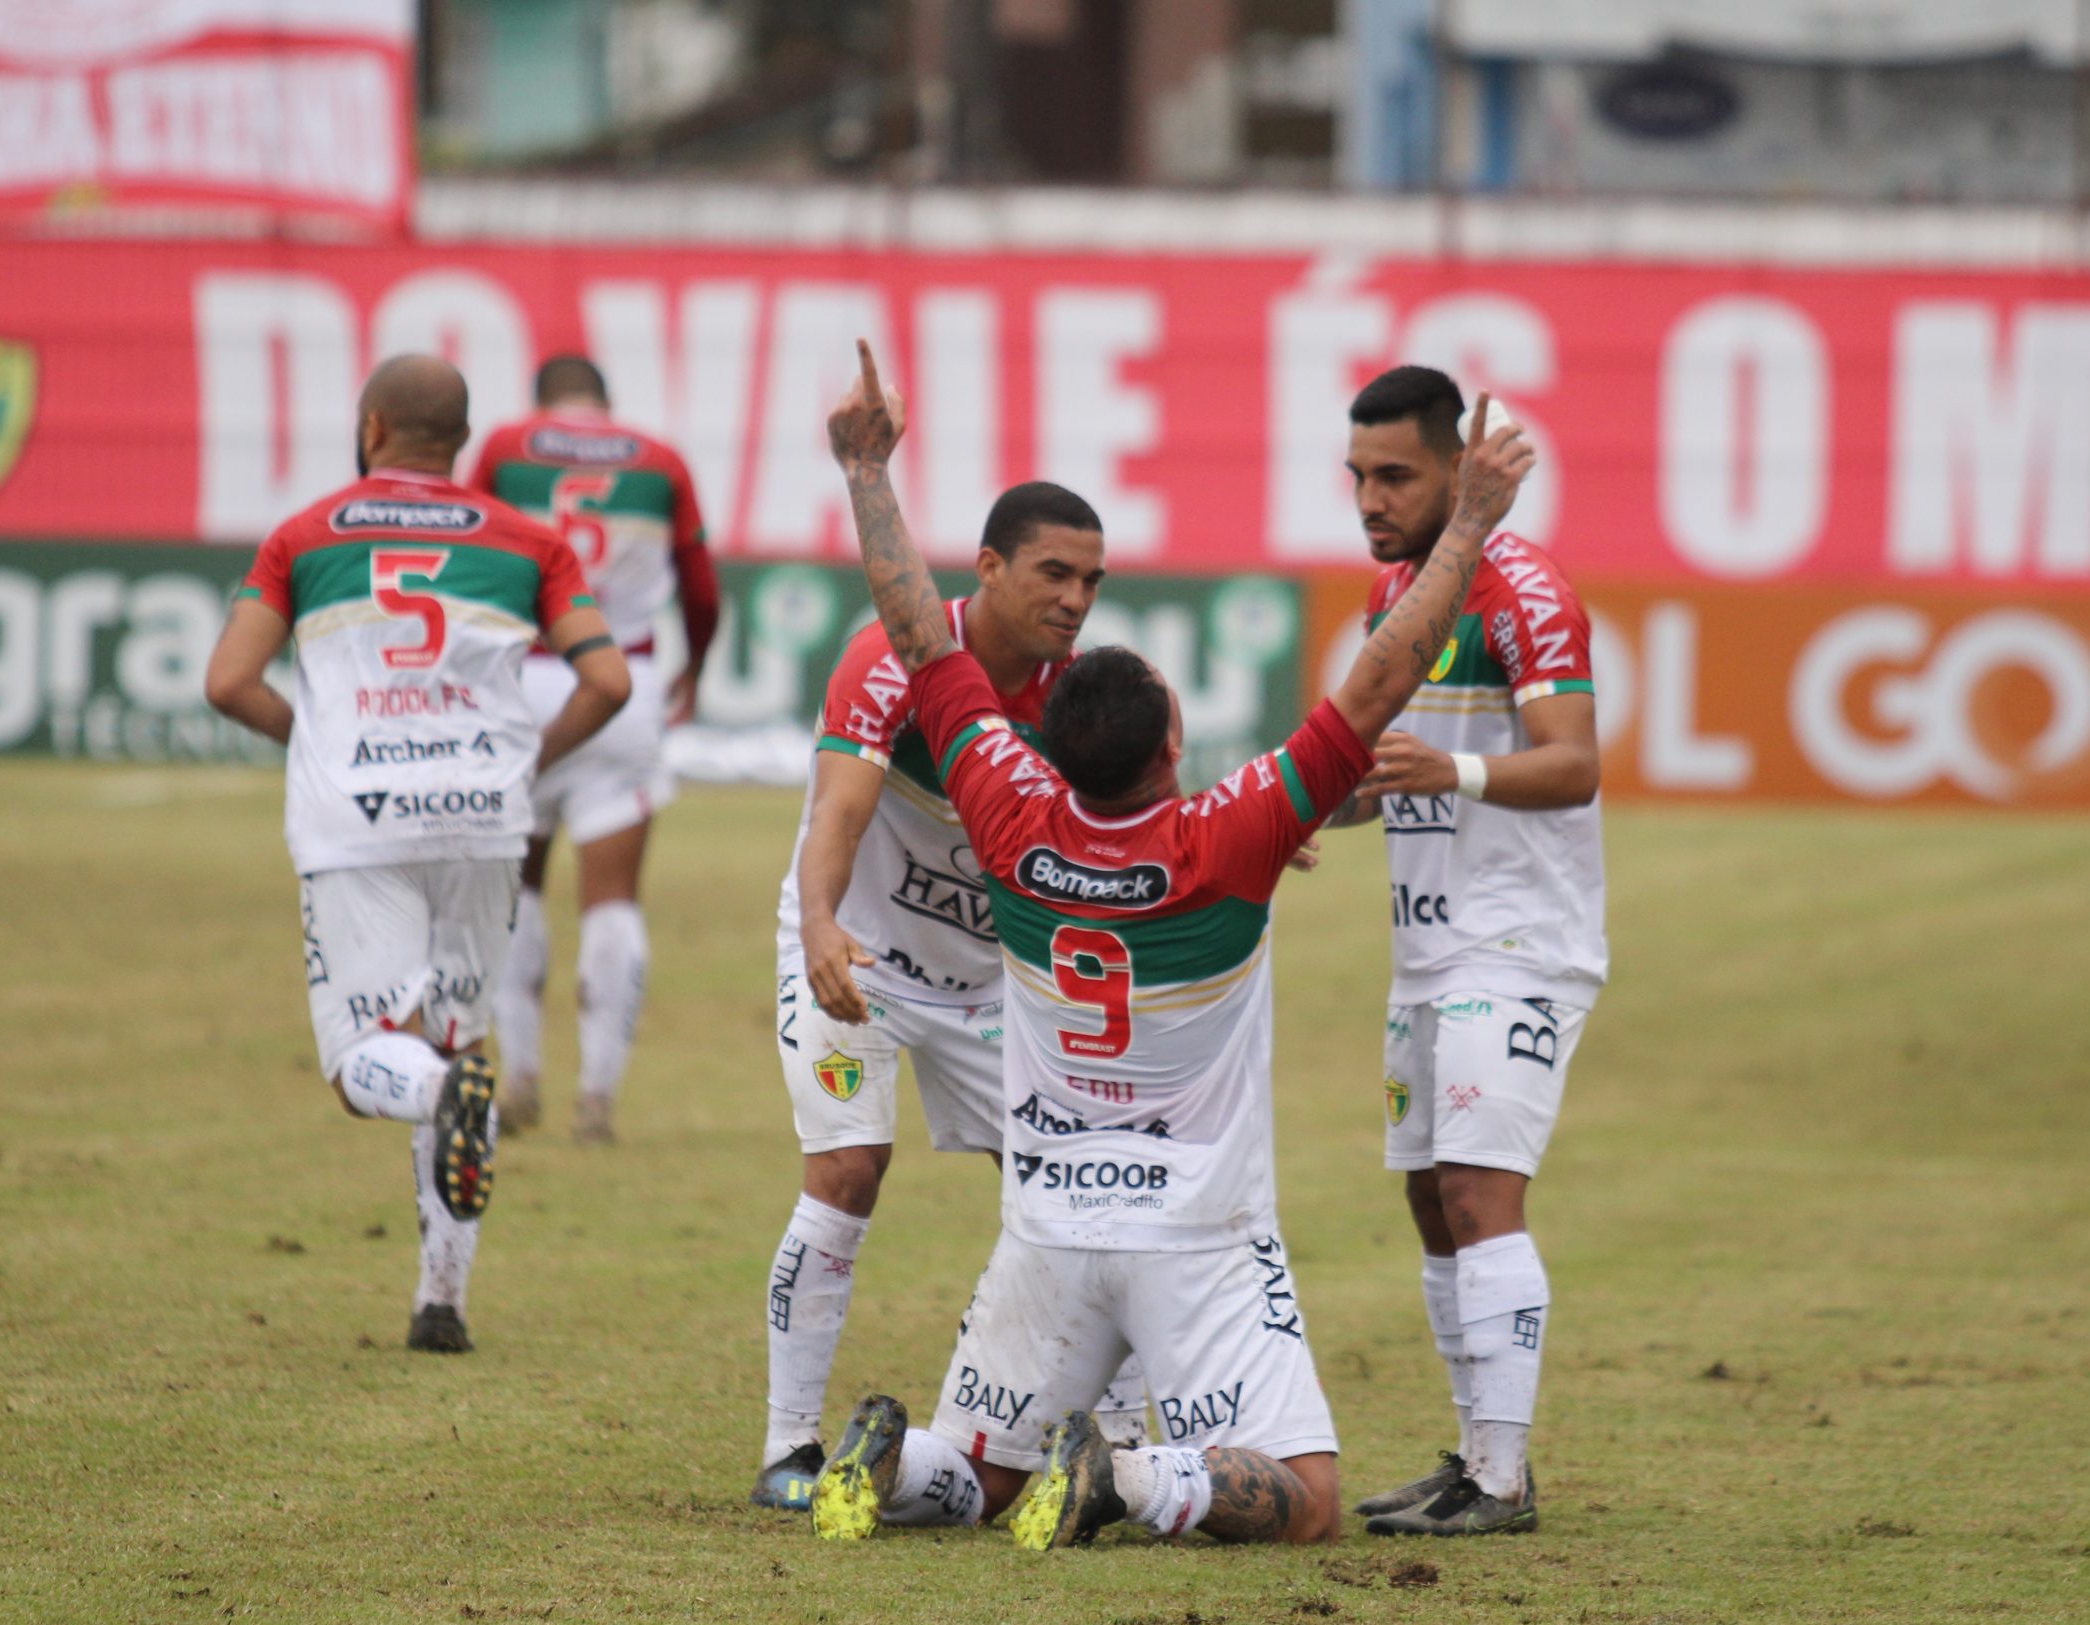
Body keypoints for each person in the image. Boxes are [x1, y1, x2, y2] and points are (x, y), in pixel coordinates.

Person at [805, 342, 1535, 1550]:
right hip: (1191, 1233)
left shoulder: (1005, 808)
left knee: (984, 1474)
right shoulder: (1228, 835)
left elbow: (921, 639)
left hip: (1044, 1223)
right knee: (1305, 1498)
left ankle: (898, 1464)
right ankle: (1130, 1483)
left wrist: (866, 471)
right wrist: (1469, 524)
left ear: (1049, 748)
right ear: (1166, 749)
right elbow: (1376, 683)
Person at [204, 354, 630, 1354]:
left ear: (370, 426)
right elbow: (606, 679)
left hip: (360, 818)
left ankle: (443, 1094)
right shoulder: (528, 539)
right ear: (464, 442)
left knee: (368, 1063)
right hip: (485, 813)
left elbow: (229, 680)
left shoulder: (304, 535)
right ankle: (442, 1300)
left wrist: (313, 740)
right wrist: (527, 761)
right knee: (457, 1031)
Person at [750, 475, 1156, 1511]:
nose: (1074, 598)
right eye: (1052, 573)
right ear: (986, 568)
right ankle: (788, 1445)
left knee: (1086, 1185)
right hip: (860, 956)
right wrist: (820, 928)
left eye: (1091, 581)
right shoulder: (891, 655)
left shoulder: (1087, 693)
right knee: (846, 1171)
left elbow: (1145, 819)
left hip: (991, 987)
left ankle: (1111, 1442)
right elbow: (836, 814)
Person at [1327, 365, 1605, 1536]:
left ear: (1455, 468)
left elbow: (1574, 761)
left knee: (1481, 1194)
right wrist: (1294, 818)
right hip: (1427, 946)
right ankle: (1474, 1455)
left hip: (1520, 939)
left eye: (1394, 474)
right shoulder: (1397, 597)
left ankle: (1501, 1479)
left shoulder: (1526, 593)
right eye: (1356, 476)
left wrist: (1457, 770)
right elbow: (1361, 766)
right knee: (1430, 1202)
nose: (1369, 497)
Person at [467, 355, 723, 1145]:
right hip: (624, 679)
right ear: (606, 405)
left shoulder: (508, 447)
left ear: (544, 401)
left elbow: (468, 556)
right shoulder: (660, 458)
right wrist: (695, 668)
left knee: (518, 885)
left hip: (523, 678)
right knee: (612, 898)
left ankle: (520, 1076)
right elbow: (702, 587)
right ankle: (598, 1097)